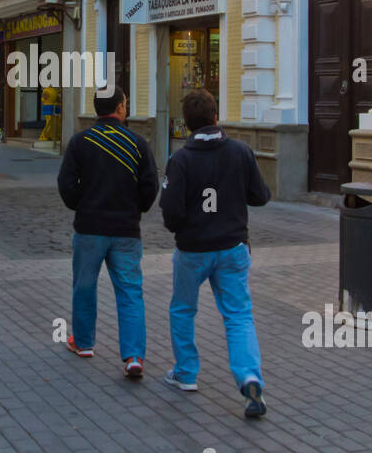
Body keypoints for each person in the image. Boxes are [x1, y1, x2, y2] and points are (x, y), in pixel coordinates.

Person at [159, 89, 272, 418]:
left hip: (192, 249)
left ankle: (186, 373)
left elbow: (170, 212)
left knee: (182, 310)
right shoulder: (240, 151)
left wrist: (183, 227)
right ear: (215, 117)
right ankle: (249, 377)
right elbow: (260, 196)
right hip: (232, 248)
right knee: (238, 316)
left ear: (186, 124)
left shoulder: (180, 159)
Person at [57, 85, 158, 379]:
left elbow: (66, 184)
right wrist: (135, 209)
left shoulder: (80, 142)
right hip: (126, 230)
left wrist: (82, 205)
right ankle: (133, 356)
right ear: (121, 108)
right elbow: (149, 186)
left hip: (89, 229)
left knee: (84, 286)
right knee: (130, 292)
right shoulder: (137, 143)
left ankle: (84, 343)